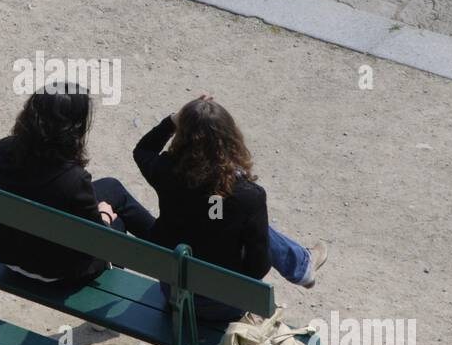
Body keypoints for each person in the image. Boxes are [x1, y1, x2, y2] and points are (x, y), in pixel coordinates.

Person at [133, 95, 327, 323]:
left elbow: (143, 151)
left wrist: (173, 120)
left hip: (173, 291)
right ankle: (301, 265)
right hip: (223, 305)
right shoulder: (248, 196)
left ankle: (302, 264)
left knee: (220, 220)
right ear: (229, 138)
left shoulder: (166, 172)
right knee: (246, 225)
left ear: (182, 137)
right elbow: (258, 266)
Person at [0, 84, 154, 283]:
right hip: (56, 272)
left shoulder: (4, 150)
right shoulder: (74, 181)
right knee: (116, 224)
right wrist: (104, 217)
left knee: (111, 187)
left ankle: (166, 243)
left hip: (10, 252)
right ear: (73, 130)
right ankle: (172, 255)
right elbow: (97, 240)